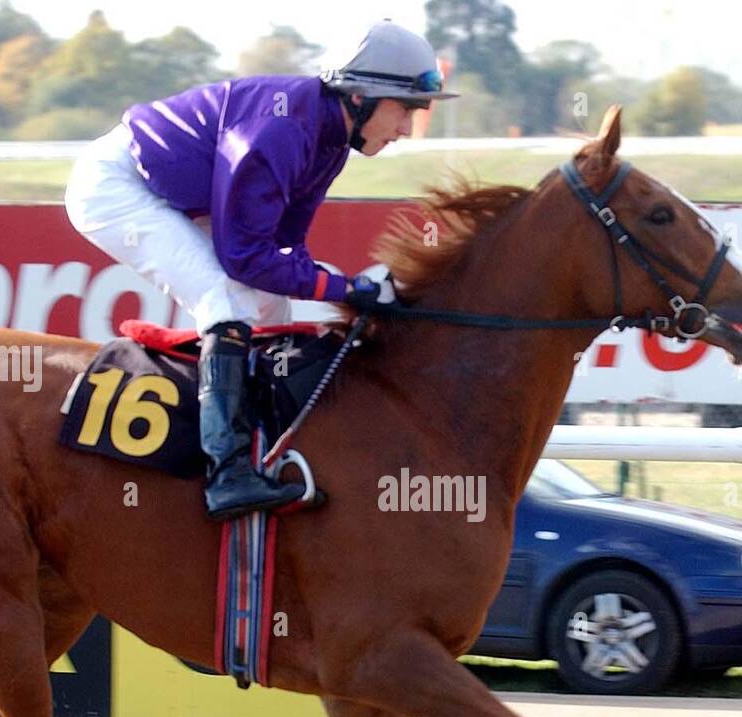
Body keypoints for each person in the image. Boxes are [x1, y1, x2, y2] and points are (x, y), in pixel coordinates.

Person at [65, 20, 457, 520]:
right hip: (117, 186)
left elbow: (284, 247)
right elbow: (244, 257)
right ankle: (226, 470)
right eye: (405, 109)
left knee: (272, 308)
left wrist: (342, 287)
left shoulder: (331, 142)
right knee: (224, 298)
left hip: (175, 191)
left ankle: (260, 446)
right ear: (358, 97)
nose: (407, 129)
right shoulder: (281, 130)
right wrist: (344, 288)